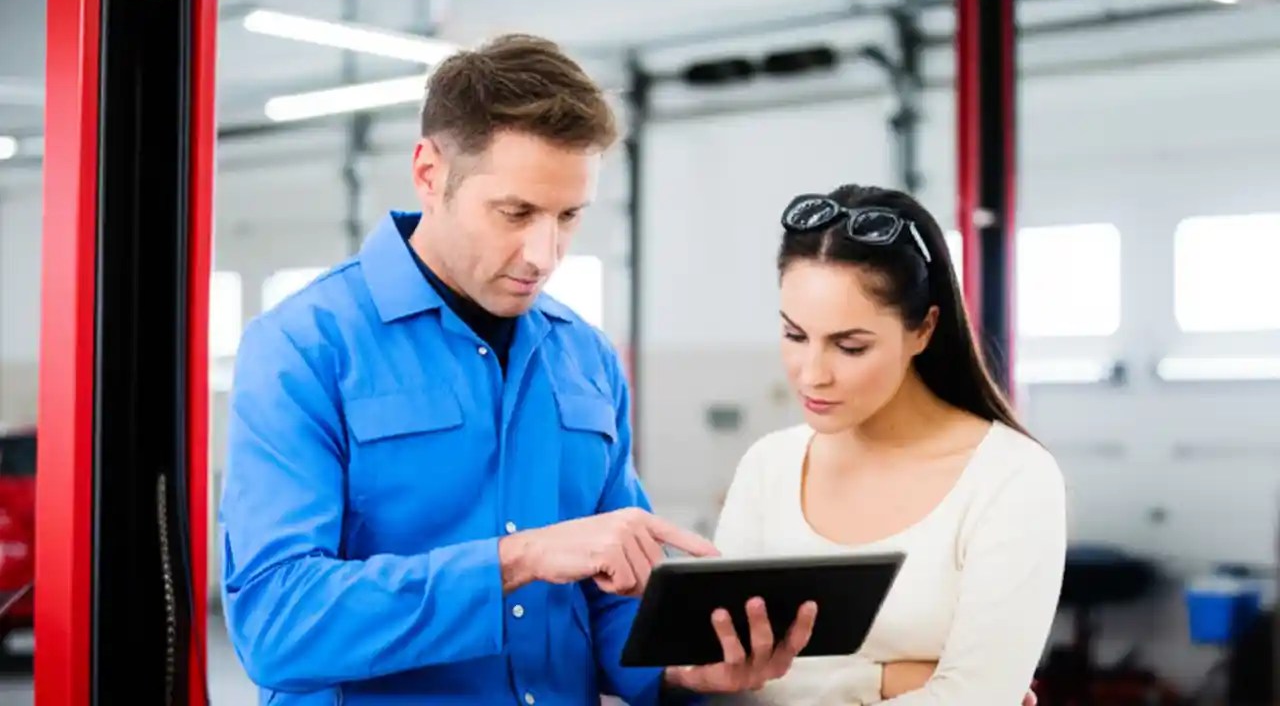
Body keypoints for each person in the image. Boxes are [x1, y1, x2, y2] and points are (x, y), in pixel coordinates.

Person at [218, 34, 816, 705]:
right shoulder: (305, 347)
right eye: (516, 213)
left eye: (568, 216)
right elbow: (278, 626)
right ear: (429, 173)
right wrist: (517, 560)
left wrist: (677, 667)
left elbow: (612, 598)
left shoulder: (584, 357)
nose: (544, 252)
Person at [710, 185, 1067, 705]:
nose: (813, 374)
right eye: (794, 335)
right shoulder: (769, 466)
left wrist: (806, 687)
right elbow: (725, 684)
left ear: (924, 329)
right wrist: (883, 682)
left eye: (850, 346)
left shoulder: (1011, 477)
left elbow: (980, 697)